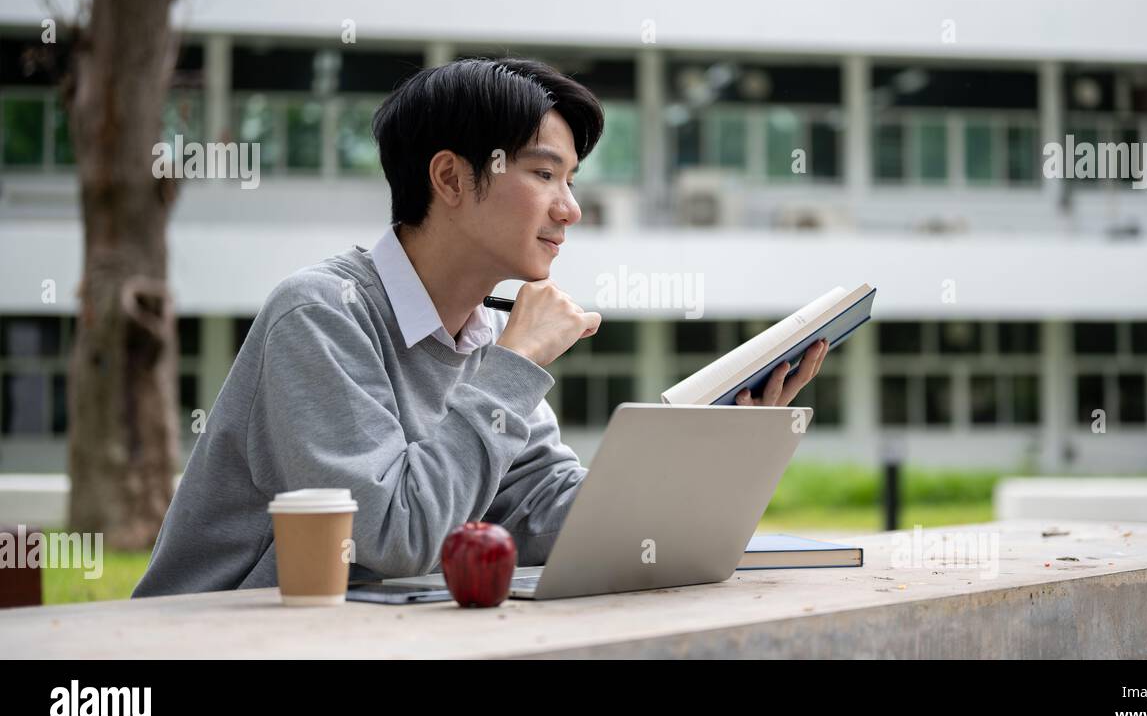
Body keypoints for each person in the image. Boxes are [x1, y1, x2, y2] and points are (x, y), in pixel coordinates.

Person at [132, 57, 826, 597]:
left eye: (573, 180)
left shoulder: (484, 338)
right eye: (545, 174)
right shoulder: (323, 313)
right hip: (210, 641)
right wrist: (517, 363)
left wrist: (713, 446)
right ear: (451, 179)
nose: (571, 209)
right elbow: (389, 534)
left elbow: (545, 512)